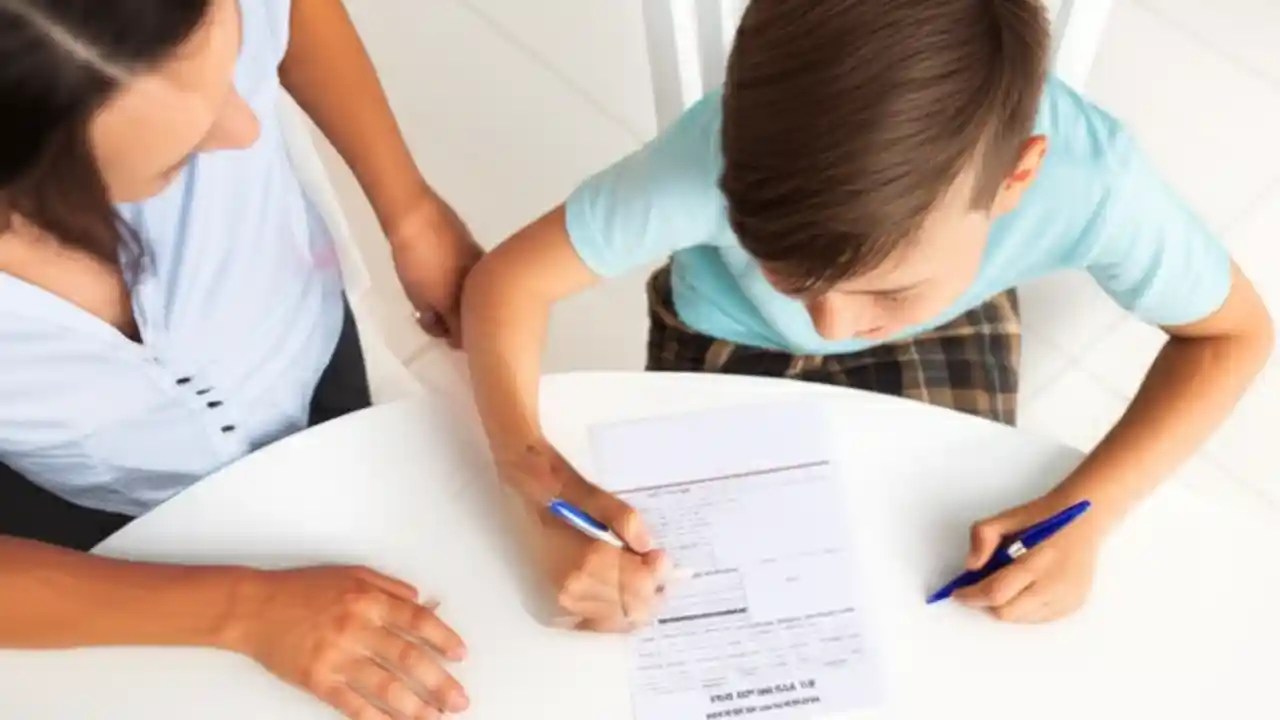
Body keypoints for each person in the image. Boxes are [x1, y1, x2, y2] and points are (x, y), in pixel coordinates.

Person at [462, 0, 1274, 632]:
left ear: (1016, 181)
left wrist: (1090, 514)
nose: (831, 325)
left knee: (953, 606)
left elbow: (1233, 335)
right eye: (786, 268)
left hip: (948, 327)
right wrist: (531, 483)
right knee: (680, 612)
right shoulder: (711, 156)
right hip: (727, 329)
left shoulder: (1097, 181)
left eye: (887, 288)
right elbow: (505, 284)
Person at [0, 0, 478, 716]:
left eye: (234, 64)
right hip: (99, 521)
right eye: (178, 158)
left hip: (309, 356)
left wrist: (410, 208)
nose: (247, 128)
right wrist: (245, 611)